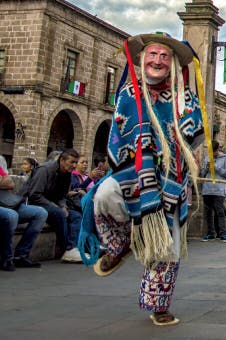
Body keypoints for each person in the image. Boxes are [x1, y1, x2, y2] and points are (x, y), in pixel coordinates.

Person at [79, 32, 207, 326]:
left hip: (170, 177)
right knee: (103, 195)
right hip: (131, 170)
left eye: (164, 56)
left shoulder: (184, 97)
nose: (157, 61)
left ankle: (159, 304)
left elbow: (194, 134)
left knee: (168, 243)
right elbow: (119, 132)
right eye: (153, 55)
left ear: (171, 62)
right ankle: (121, 241)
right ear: (142, 59)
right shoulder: (128, 94)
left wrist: (178, 148)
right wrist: (140, 152)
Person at [19, 148, 83, 263]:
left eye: (76, 162)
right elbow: (35, 195)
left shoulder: (67, 174)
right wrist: (56, 206)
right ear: (62, 160)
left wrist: (63, 206)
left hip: (52, 204)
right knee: (59, 214)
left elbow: (62, 196)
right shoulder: (45, 170)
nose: (74, 165)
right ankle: (67, 249)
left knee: (75, 216)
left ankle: (74, 247)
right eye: (72, 162)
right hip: (36, 203)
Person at [0, 160, 48, 270]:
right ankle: (6, 258)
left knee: (41, 213)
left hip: (6, 202)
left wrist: (3, 180)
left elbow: (10, 183)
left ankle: (21, 255)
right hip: (6, 208)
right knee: (11, 215)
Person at [201, 141, 226, 242]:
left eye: (214, 151)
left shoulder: (225, 158)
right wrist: (206, 168)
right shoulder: (206, 158)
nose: (212, 154)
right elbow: (202, 173)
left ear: (218, 149)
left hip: (219, 189)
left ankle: (222, 233)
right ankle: (210, 233)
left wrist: (216, 168)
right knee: (208, 212)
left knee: (220, 211)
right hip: (207, 189)